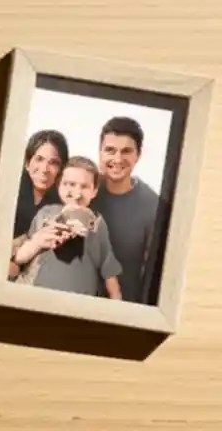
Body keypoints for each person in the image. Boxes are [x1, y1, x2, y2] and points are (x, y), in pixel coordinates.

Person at [10, 157, 123, 300]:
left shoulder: (98, 223)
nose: (76, 192)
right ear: (59, 187)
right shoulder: (46, 213)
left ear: (94, 191)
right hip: (37, 294)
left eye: (84, 186)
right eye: (69, 184)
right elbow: (25, 251)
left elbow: (109, 268)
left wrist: (117, 301)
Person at [90, 116, 160, 304]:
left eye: (126, 151)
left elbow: (154, 276)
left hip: (121, 310)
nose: (117, 159)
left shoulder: (153, 206)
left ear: (138, 155)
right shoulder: (83, 189)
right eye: (110, 150)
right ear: (100, 152)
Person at [13, 129, 68, 237]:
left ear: (61, 169)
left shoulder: (62, 199)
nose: (44, 169)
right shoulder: (11, 188)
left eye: (53, 163)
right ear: (28, 163)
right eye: (39, 159)